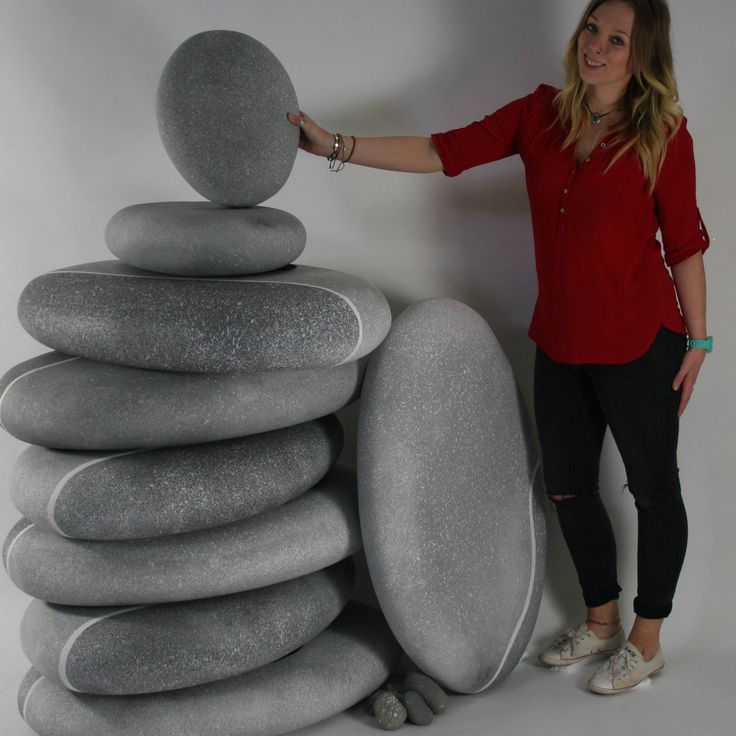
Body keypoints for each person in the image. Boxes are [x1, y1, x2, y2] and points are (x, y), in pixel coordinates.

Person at [288, 0, 710, 695]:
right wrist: (336, 145)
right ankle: (601, 620)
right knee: (568, 488)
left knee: (653, 491)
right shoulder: (540, 114)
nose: (596, 48)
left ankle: (647, 638)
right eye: (591, 31)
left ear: (643, 56)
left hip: (641, 342)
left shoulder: (663, 134)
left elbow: (685, 245)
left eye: (617, 40)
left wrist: (699, 341)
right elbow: (439, 151)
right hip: (562, 343)